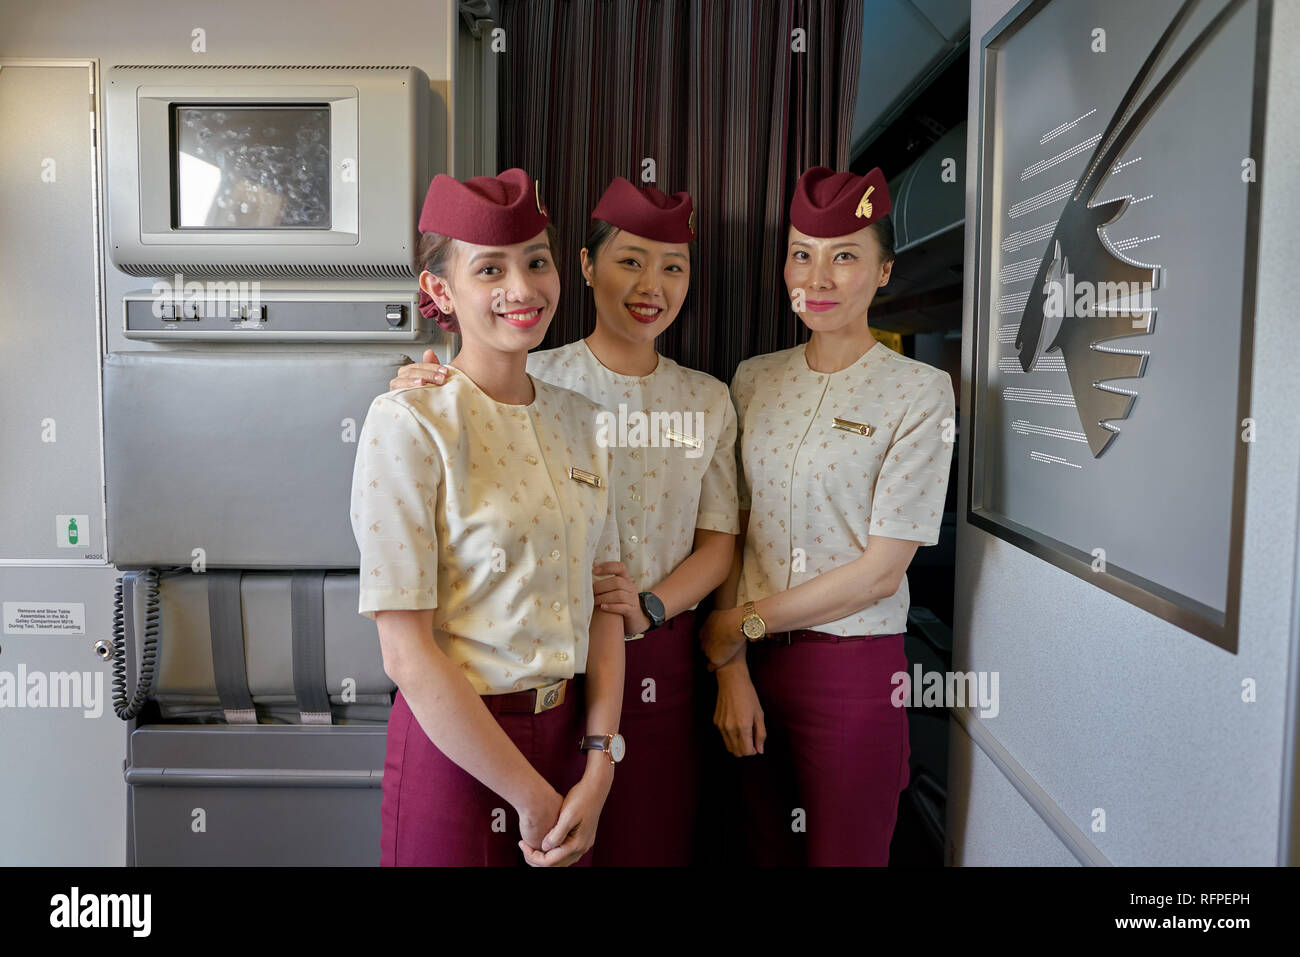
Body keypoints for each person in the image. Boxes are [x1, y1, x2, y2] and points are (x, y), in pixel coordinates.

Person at [390, 176, 739, 865]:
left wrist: (648, 616)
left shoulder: (629, 411)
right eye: (631, 260)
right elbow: (406, 650)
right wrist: (413, 387)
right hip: (484, 707)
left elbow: (709, 544)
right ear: (587, 265)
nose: (652, 284)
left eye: (673, 266)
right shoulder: (500, 384)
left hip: (623, 667)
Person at [350, 168, 626, 867]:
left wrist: (600, 760)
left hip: (571, 740)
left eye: (537, 261)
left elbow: (606, 604)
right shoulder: (410, 423)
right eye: (490, 269)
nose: (524, 289)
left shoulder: (585, 423)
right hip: (460, 752)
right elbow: (406, 652)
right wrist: (527, 795)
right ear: (439, 290)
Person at [701, 166, 955, 866]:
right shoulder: (754, 377)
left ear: (882, 272)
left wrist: (739, 623)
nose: (818, 275)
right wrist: (731, 668)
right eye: (801, 252)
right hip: (751, 666)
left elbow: (879, 573)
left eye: (845, 255)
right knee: (760, 848)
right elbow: (735, 524)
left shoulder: (919, 392)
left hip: (852, 669)